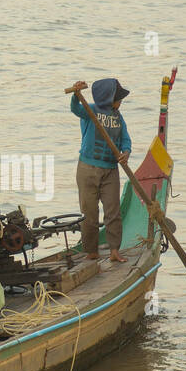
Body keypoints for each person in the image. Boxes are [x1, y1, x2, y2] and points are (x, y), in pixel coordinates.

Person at [70, 77, 132, 263]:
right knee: (90, 213)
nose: (120, 102)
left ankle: (114, 250)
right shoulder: (90, 110)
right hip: (87, 169)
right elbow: (75, 109)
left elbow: (126, 140)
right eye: (118, 98)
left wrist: (126, 153)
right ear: (108, 97)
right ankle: (91, 251)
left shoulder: (118, 117)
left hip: (110, 171)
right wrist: (76, 94)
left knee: (113, 211)